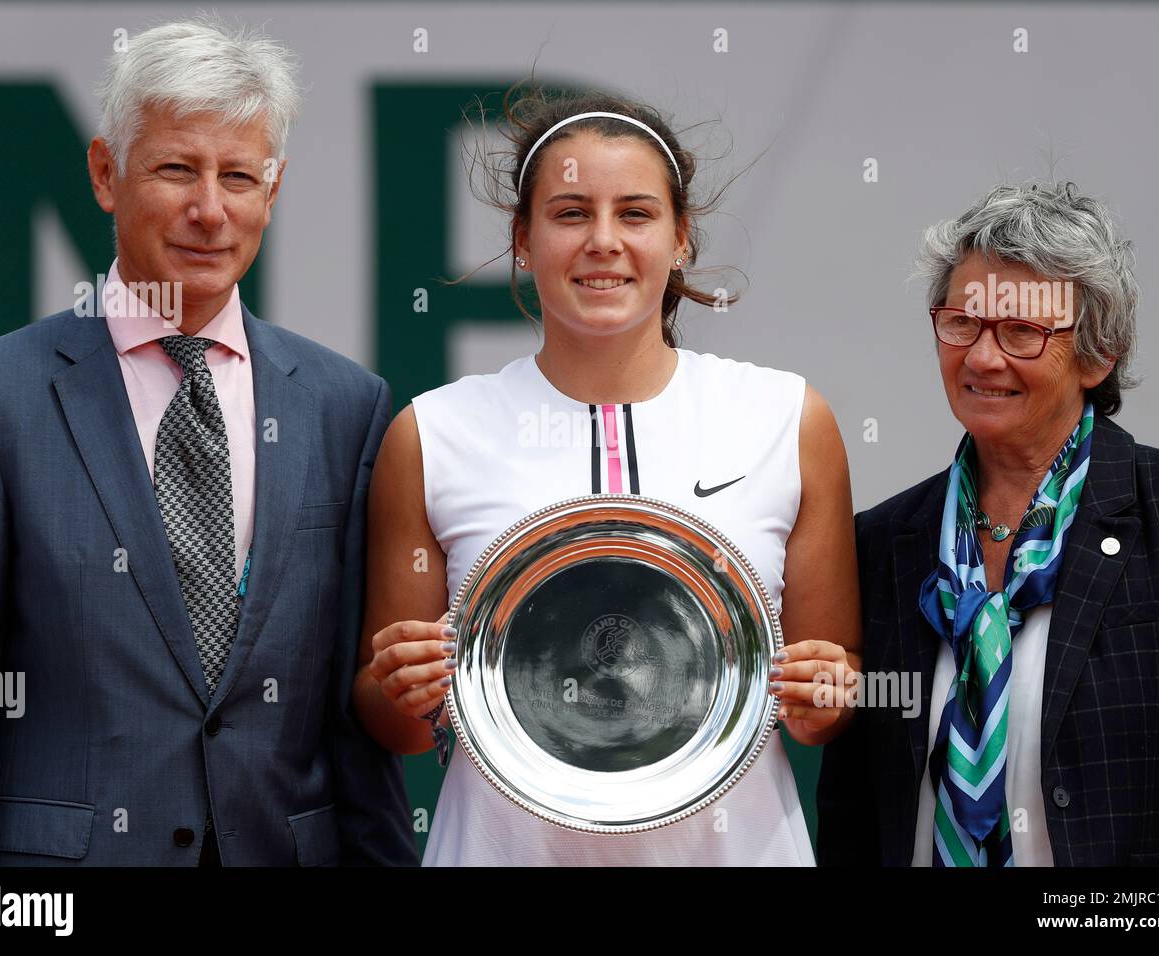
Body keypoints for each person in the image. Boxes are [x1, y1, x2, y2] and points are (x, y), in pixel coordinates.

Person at [0, 16, 416, 866]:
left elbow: (349, 729)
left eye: (239, 176)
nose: (209, 210)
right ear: (104, 174)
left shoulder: (347, 407)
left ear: (275, 187)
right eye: (177, 168)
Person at [355, 86, 863, 865]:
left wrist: (828, 692)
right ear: (522, 240)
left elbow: (826, 697)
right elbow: (396, 726)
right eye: (568, 213)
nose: (603, 241)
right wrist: (396, 687)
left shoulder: (788, 419)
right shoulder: (432, 433)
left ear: (681, 237)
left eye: (634, 213)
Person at [817, 181, 1159, 866]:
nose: (981, 357)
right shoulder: (882, 543)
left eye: (1022, 332)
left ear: (1099, 352)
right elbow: (852, 811)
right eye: (962, 323)